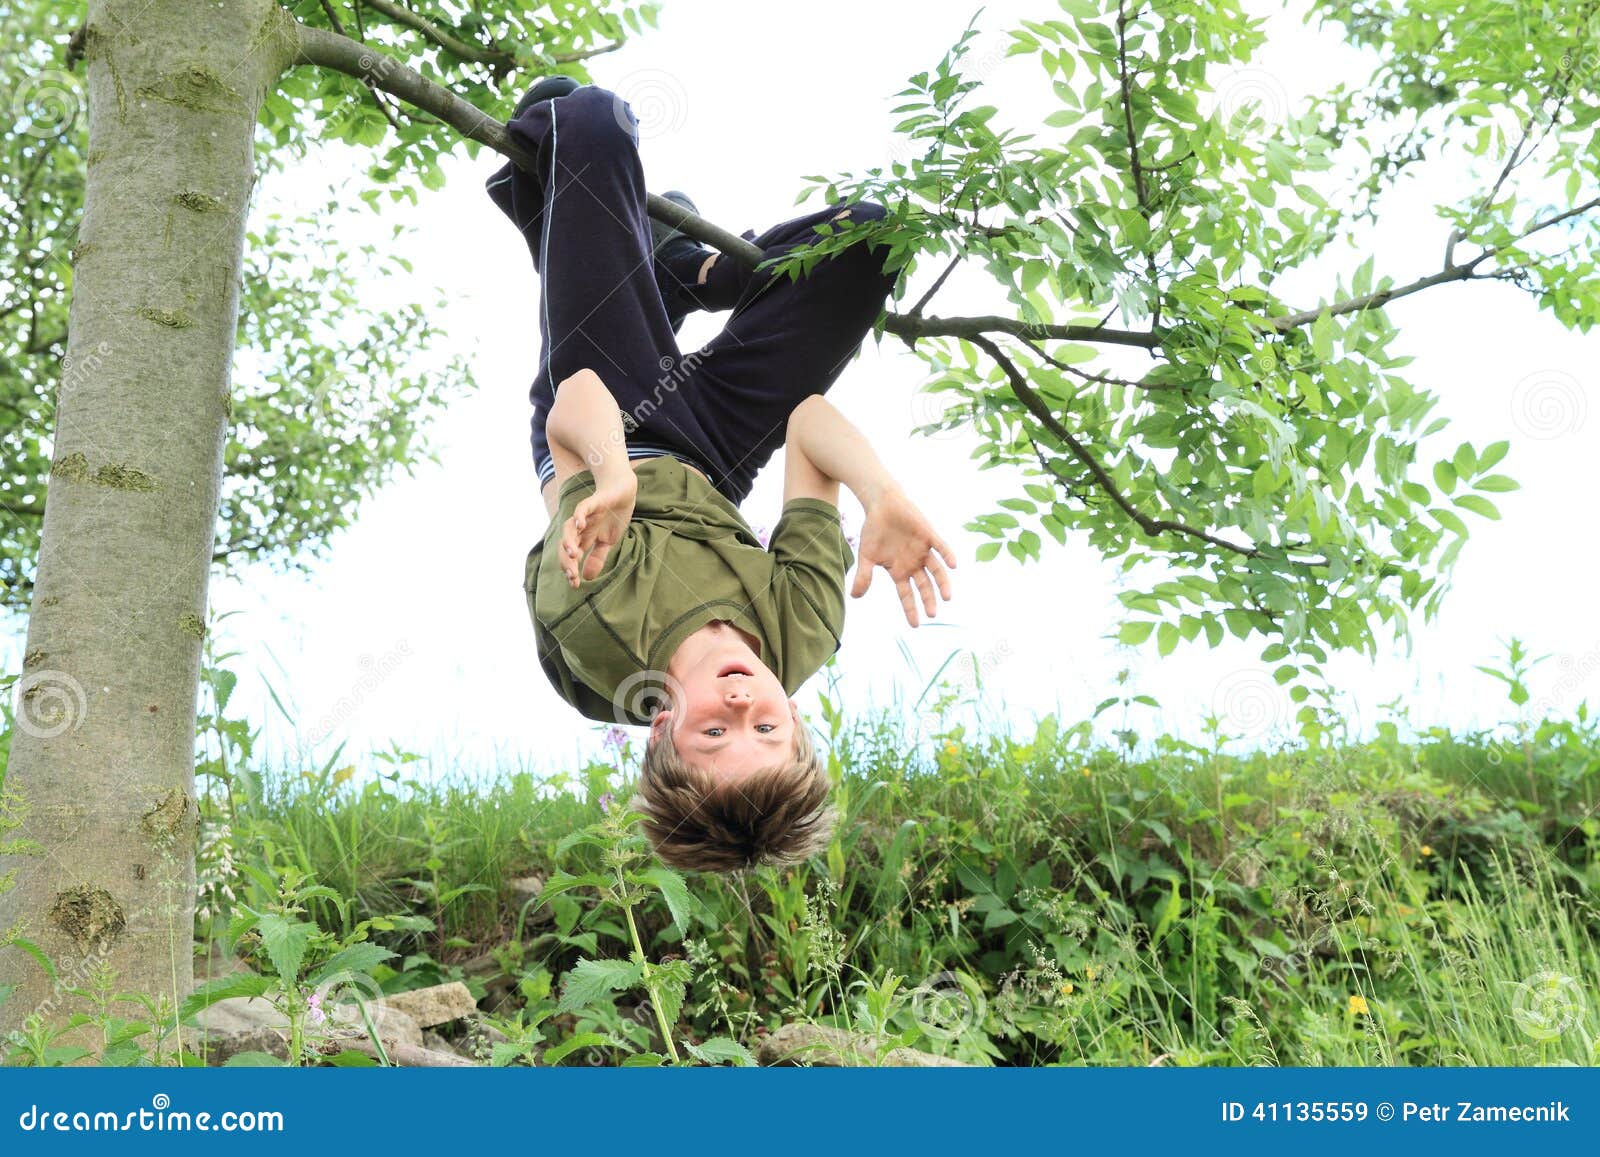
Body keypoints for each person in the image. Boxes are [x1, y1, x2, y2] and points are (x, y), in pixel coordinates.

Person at [486, 78, 955, 872]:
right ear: (797, 724)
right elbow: (807, 426)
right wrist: (882, 493)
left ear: (663, 727)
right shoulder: (800, 635)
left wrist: (615, 484)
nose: (744, 706)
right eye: (766, 729)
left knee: (586, 121)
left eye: (716, 732)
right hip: (714, 460)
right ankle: (691, 274)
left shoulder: (603, 626)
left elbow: (576, 400)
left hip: (613, 436)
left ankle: (589, 228)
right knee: (874, 239)